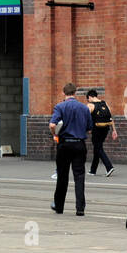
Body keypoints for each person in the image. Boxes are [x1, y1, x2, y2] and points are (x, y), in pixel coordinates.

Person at [49, 83, 90, 216]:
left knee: (62, 176)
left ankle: (59, 206)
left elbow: (52, 124)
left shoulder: (60, 106)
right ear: (75, 93)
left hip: (64, 144)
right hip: (79, 144)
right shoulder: (84, 108)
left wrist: (55, 134)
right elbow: (89, 128)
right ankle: (80, 208)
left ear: (64, 93)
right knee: (79, 176)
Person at [86, 89, 118, 176]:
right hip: (105, 129)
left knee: (98, 148)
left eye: (87, 99)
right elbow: (110, 118)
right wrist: (114, 130)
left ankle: (109, 167)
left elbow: (86, 118)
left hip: (96, 129)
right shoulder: (105, 103)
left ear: (89, 97)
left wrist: (87, 128)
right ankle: (93, 170)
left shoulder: (90, 105)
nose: (88, 101)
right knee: (97, 147)